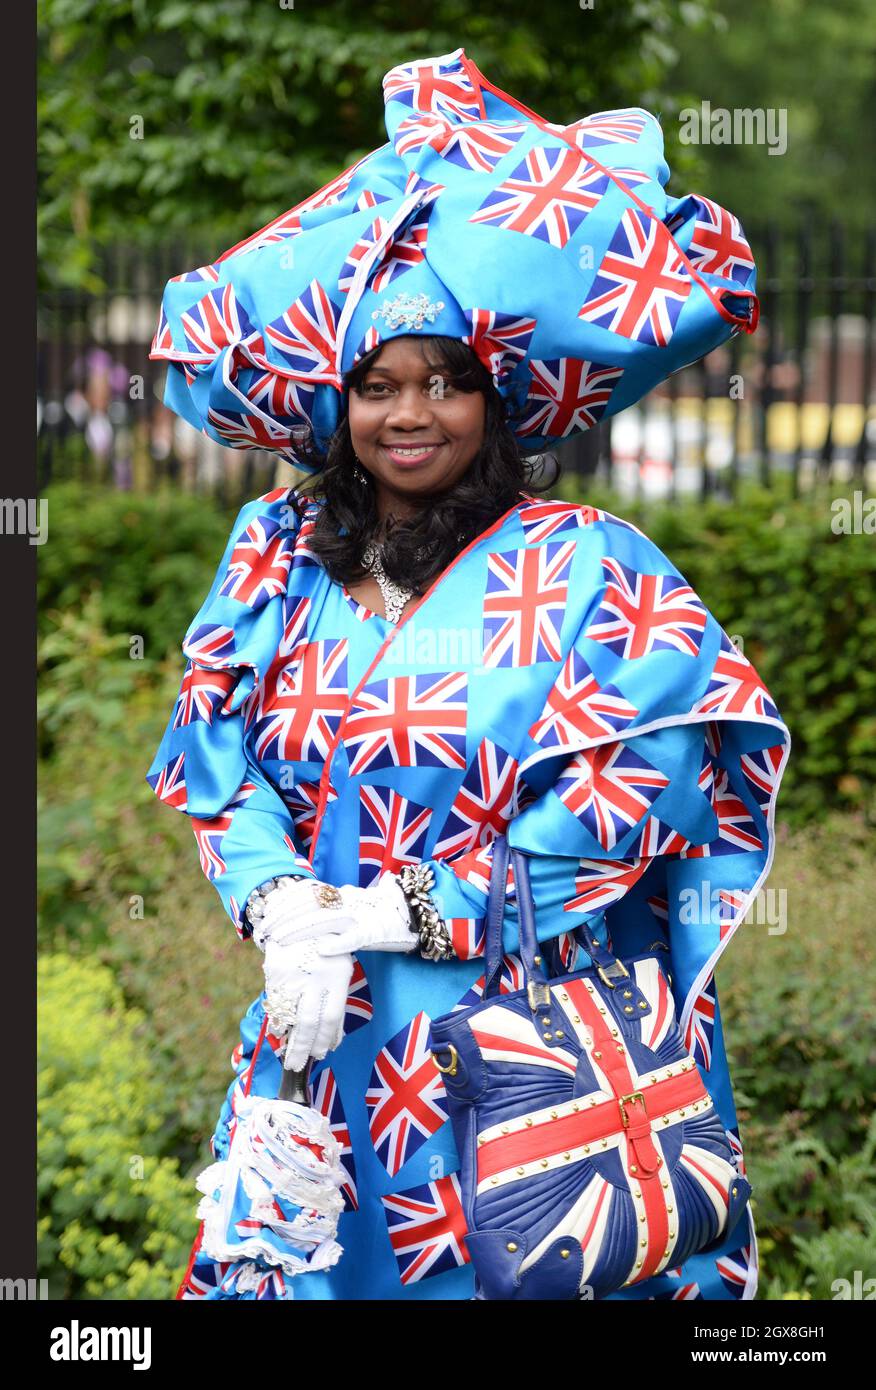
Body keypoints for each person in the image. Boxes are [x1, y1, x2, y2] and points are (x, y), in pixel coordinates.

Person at [146, 48, 788, 1301]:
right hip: (324, 1040)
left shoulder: (591, 564)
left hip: (522, 1053)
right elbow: (219, 762)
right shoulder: (274, 560)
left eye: (444, 383)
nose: (410, 413)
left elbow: (635, 796)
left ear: (494, 405)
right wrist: (283, 913)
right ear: (337, 411)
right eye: (377, 386)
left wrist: (400, 912)